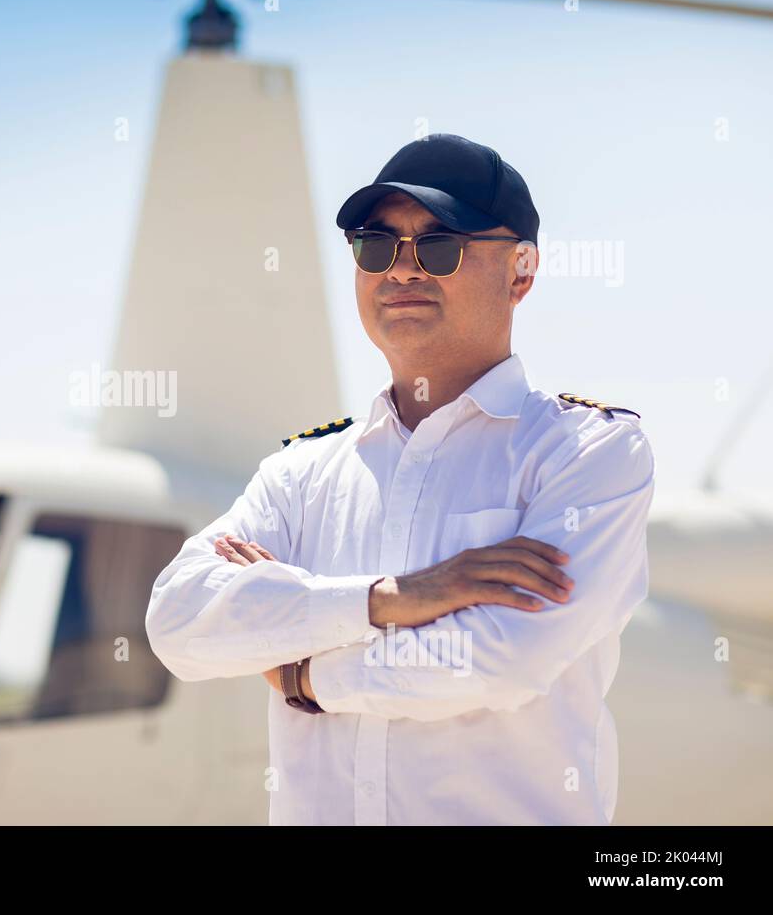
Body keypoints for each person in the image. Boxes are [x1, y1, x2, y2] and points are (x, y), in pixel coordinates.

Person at [145, 133, 654, 825]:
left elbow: (502, 659)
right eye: (376, 245)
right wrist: (395, 599)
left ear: (521, 272)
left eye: (439, 245)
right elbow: (177, 623)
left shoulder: (586, 452)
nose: (401, 270)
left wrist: (307, 674)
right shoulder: (301, 473)